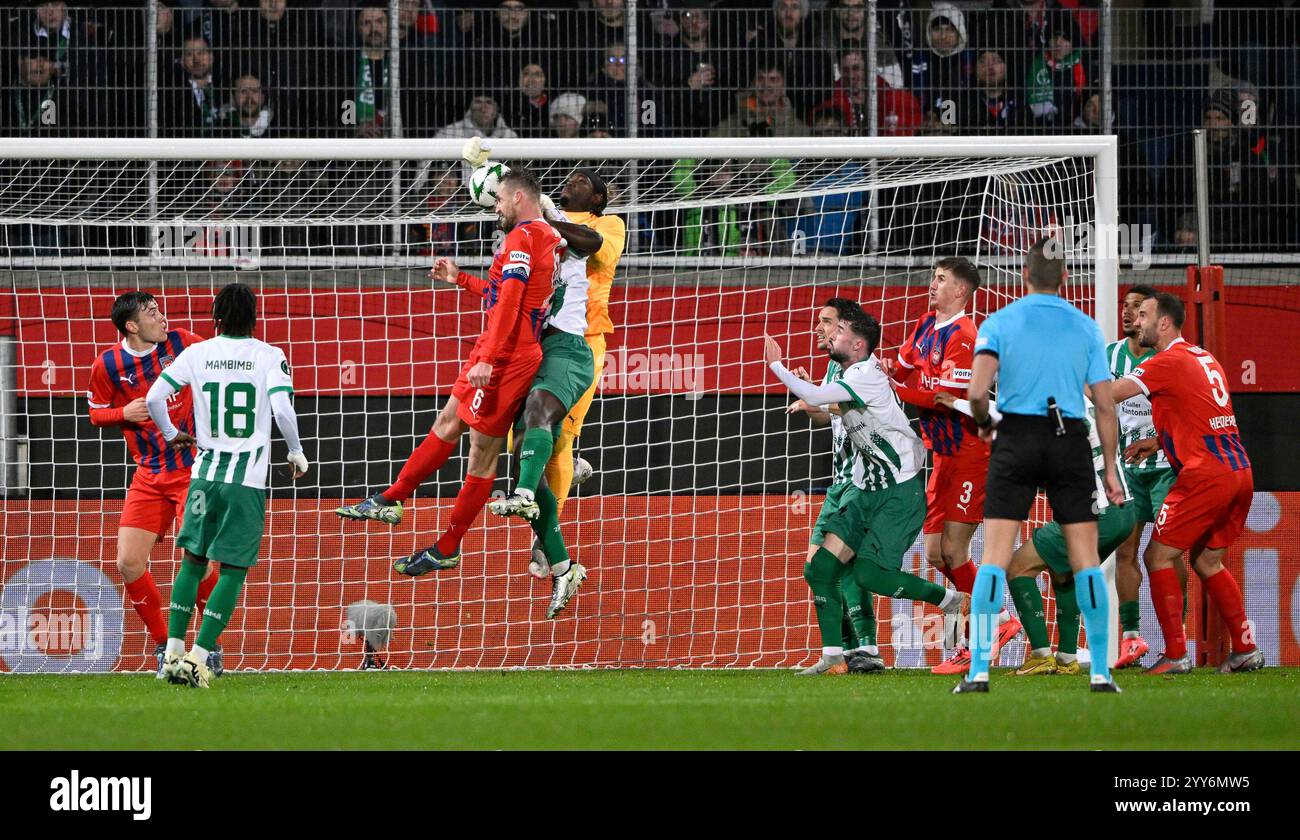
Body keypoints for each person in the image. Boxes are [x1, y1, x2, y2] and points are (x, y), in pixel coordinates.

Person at [335, 169, 586, 618]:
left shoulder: (524, 237)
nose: (494, 209)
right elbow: (507, 294)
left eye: (498, 201)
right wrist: (461, 279)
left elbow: (510, 303)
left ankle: (448, 543)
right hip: (500, 347)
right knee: (448, 423)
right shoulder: (542, 235)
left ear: (517, 197)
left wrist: (490, 356)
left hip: (508, 356)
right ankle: (392, 501)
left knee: (481, 455)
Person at [955, 237, 1124, 694]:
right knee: (1086, 558)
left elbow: (974, 394)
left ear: (1025, 276)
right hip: (1069, 438)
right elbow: (1105, 408)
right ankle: (1101, 673)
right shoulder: (1086, 327)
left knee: (993, 557)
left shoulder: (999, 322)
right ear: (1065, 279)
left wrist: (988, 425)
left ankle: (978, 673)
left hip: (1016, 437)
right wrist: (1109, 468)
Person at [764, 313, 967, 676]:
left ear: (858, 345)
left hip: (898, 491)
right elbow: (826, 404)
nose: (830, 334)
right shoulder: (843, 373)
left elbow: (814, 395)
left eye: (839, 330)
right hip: (863, 485)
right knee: (820, 569)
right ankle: (833, 655)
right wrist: (816, 402)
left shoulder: (865, 375)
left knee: (870, 577)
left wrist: (776, 364)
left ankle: (950, 601)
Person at [147, 283, 307, 688]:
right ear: (253, 317)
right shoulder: (269, 356)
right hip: (245, 482)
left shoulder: (196, 352)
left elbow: (153, 398)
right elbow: (282, 409)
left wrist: (169, 433)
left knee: (192, 563)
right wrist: (296, 451)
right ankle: (199, 660)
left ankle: (171, 655)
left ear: (215, 316)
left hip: (204, 475)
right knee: (232, 570)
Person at [1107, 293, 1263, 674]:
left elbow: (1107, 395)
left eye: (1143, 315)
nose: (1136, 321)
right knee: (1207, 560)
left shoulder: (1167, 360)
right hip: (1239, 470)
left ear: (1164, 323)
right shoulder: (1204, 357)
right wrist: (1159, 440)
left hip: (1205, 474)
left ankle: (1176, 656)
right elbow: (1203, 412)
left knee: (1157, 556)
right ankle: (1246, 650)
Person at [887, 258, 1021, 675]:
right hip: (943, 453)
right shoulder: (928, 324)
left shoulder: (966, 336)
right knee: (933, 552)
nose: (932, 285)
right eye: (933, 277)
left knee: (954, 549)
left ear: (961, 291)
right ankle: (996, 619)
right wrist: (874, 369)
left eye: (941, 279)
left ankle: (986, 632)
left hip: (971, 452)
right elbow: (902, 365)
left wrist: (889, 387)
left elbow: (941, 398)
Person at [87, 292, 219, 676]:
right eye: (152, 313)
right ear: (131, 326)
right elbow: (96, 414)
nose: (162, 318)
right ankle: (164, 647)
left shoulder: (183, 343)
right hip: (148, 475)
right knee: (127, 562)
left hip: (193, 472)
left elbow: (220, 362)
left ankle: (207, 647)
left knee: (199, 562)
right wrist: (122, 413)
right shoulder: (107, 364)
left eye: (159, 311)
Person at [785, 299, 884, 674]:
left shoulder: (864, 370)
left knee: (839, 566)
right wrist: (808, 399)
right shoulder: (833, 368)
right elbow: (823, 417)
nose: (819, 328)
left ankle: (861, 649)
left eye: (826, 322)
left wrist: (809, 393)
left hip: (864, 481)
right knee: (822, 568)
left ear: (846, 329)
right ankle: (848, 651)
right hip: (839, 482)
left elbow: (846, 408)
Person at [1007, 396, 1135, 676]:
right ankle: (1067, 657)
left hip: (1095, 513)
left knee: (1018, 568)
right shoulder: (1087, 399)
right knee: (1063, 572)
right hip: (1123, 510)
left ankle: (1041, 655)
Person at [1105, 284, 1178, 669]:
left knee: (1168, 553)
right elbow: (1102, 408)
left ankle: (1175, 637)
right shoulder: (1111, 355)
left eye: (1138, 307)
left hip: (1166, 465)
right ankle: (1132, 638)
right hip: (1128, 468)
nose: (1129, 313)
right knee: (1126, 551)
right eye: (1126, 306)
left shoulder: (1168, 355)